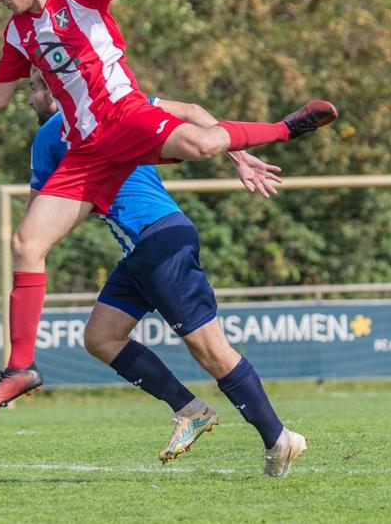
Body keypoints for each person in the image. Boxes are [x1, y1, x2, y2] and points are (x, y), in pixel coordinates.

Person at [0, 0, 336, 444]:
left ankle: (285, 128)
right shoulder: (18, 32)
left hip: (125, 118)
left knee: (201, 145)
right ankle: (20, 368)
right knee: (27, 243)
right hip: (87, 151)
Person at [28, 72, 304, 476]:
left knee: (212, 351)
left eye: (33, 87)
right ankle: (190, 409)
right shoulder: (118, 109)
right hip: (145, 247)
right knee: (101, 337)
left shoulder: (50, 136)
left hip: (156, 242)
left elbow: (37, 221)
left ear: (54, 90)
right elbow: (192, 112)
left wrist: (30, 251)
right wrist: (237, 156)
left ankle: (279, 438)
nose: (30, 97)